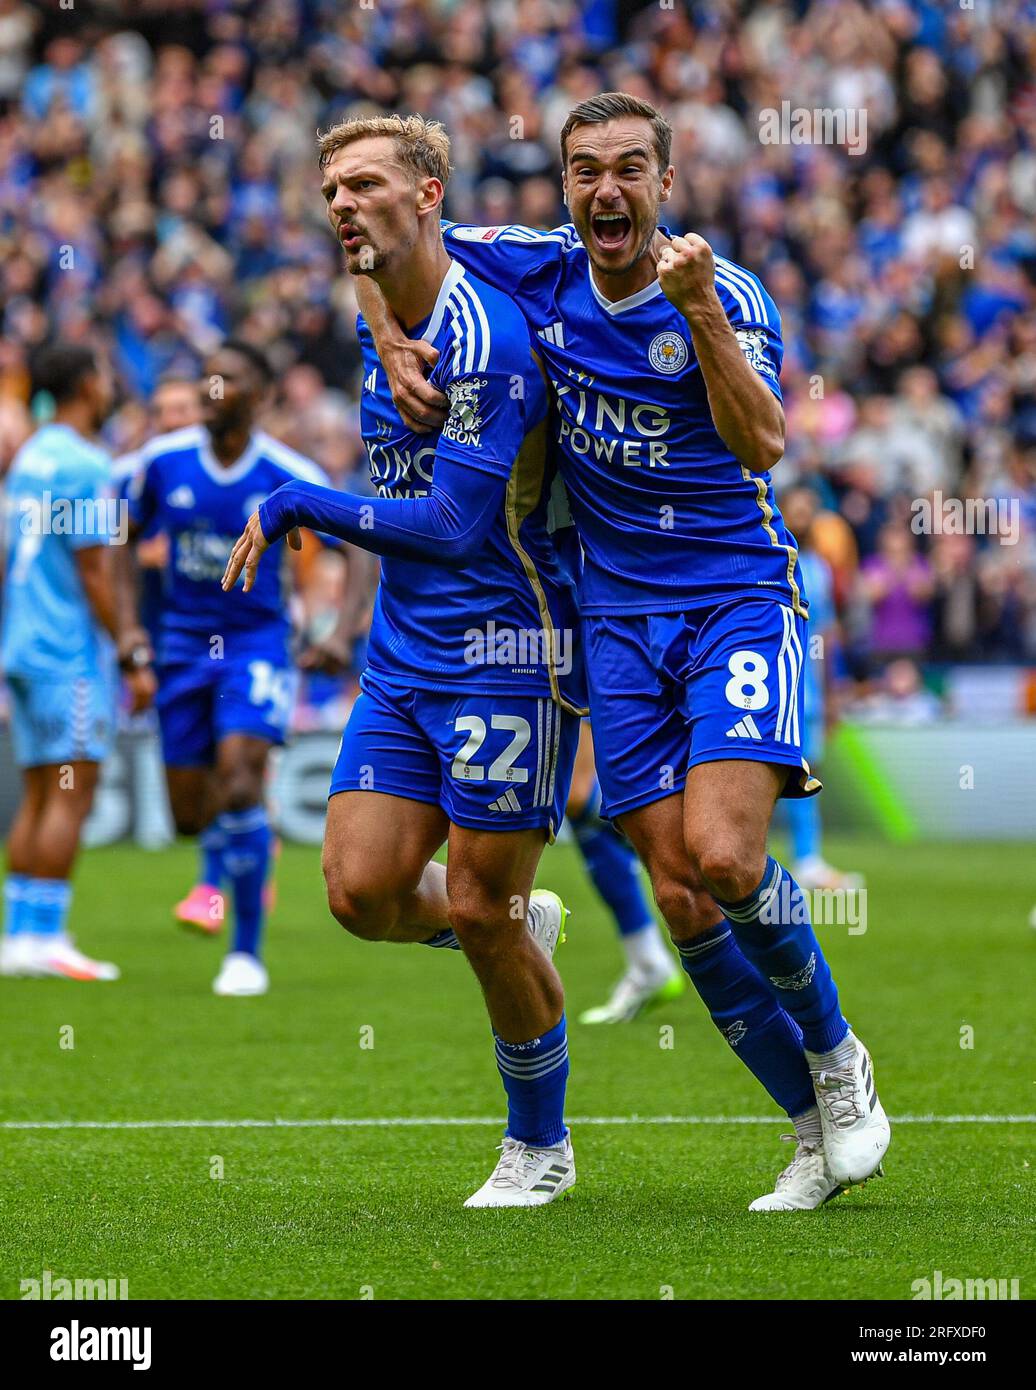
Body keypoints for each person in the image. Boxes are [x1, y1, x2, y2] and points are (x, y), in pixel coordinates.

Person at [361, 93, 890, 1209]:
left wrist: (694, 312)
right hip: (611, 618)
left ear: (664, 180)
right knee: (682, 896)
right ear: (564, 186)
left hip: (733, 597)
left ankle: (840, 1063)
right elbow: (391, 236)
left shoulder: (725, 292)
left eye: (631, 169)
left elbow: (764, 441)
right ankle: (805, 1130)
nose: (609, 189)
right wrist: (382, 333)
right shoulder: (535, 269)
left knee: (730, 862)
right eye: (587, 170)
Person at [223, 114, 584, 1208]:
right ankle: (518, 917)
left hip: (505, 647)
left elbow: (455, 525)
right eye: (330, 187)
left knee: (478, 911)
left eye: (365, 185)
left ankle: (541, 1146)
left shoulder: (486, 336)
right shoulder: (389, 291)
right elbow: (376, 269)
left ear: (430, 196)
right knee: (358, 891)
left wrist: (300, 501)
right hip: (404, 654)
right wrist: (376, 316)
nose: (340, 204)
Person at [115, 340, 343, 996]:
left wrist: (343, 630)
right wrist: (131, 631)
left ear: (262, 396)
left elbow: (357, 544)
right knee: (191, 815)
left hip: (257, 645)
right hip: (181, 647)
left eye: (229, 380)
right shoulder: (162, 463)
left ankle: (245, 953)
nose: (213, 389)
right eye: (208, 378)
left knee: (241, 778)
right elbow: (119, 540)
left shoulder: (288, 471)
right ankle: (243, 844)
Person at [1, 344, 152, 980]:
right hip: (69, 652)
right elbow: (95, 568)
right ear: (88, 383)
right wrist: (130, 649)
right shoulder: (89, 465)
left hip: (24, 642)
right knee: (73, 792)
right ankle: (48, 937)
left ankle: (18, 936)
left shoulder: (29, 458)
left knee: (38, 794)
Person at [567, 724, 685, 1024]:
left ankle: (694, 861)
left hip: (570, 678)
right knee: (574, 800)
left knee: (573, 792)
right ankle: (646, 961)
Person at [777, 486, 863, 893]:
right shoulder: (770, 558)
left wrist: (832, 694)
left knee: (808, 769)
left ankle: (807, 858)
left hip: (807, 690)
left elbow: (826, 634)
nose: (802, 514)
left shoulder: (818, 568)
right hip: (770, 685)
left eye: (808, 508)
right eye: (796, 506)